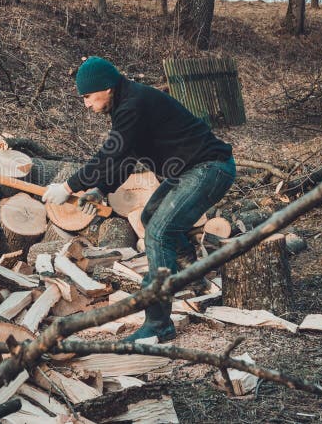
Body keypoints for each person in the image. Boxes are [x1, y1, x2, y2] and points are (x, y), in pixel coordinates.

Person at [41, 56, 235, 342]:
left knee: (158, 233)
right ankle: (194, 277)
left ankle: (158, 324)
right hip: (189, 171)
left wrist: (70, 186)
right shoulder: (127, 103)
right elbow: (126, 157)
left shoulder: (133, 104)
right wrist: (102, 189)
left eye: (88, 96)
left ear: (107, 88)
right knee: (148, 217)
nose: (86, 104)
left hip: (209, 168)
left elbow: (111, 153)